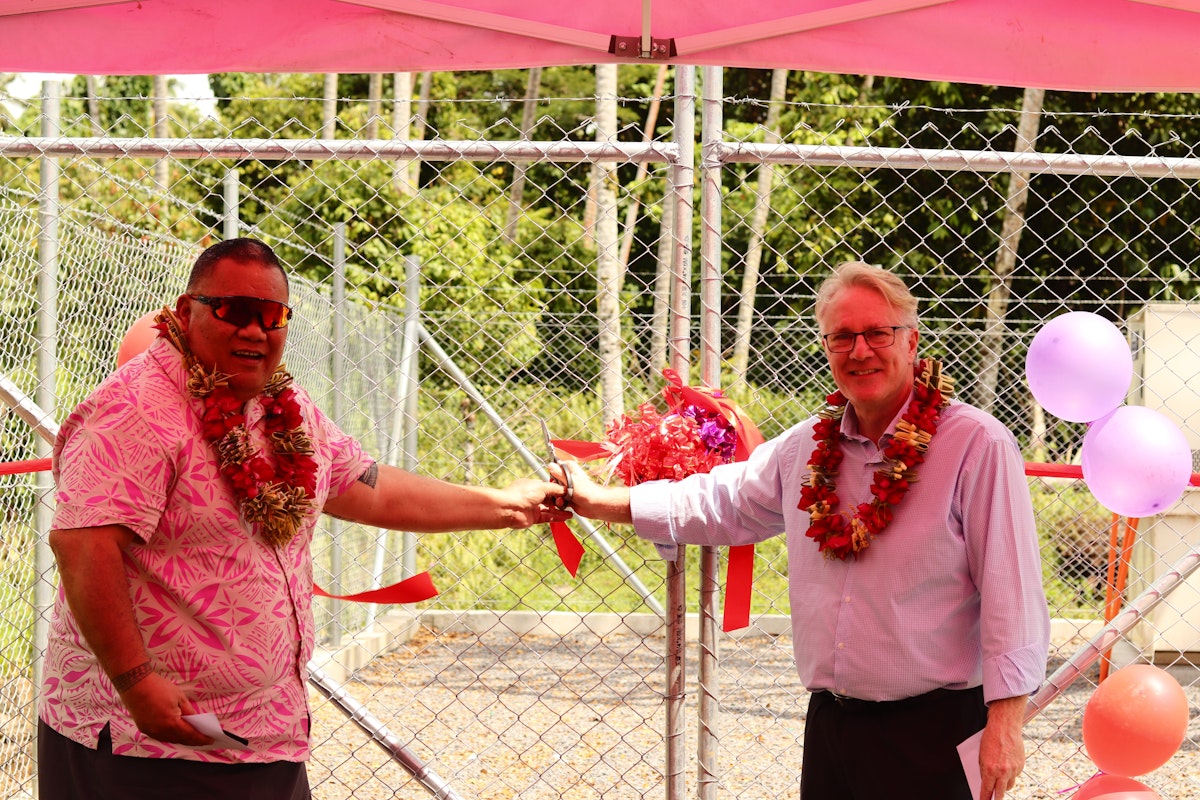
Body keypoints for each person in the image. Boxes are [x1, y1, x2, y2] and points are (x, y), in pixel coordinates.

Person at [39, 237, 570, 800]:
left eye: (271, 316)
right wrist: (137, 682)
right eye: (233, 311)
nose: (254, 330)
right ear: (183, 312)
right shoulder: (137, 408)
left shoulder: (276, 403)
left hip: (260, 736)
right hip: (146, 747)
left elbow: (369, 486)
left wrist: (504, 504)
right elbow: (83, 547)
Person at [561, 261, 1050, 800]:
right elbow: (722, 501)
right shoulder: (805, 448)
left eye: (877, 333)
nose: (860, 351)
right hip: (832, 728)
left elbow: (1012, 592)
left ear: (911, 342)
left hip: (934, 732)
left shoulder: (976, 445)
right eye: (842, 337)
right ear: (826, 348)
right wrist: (601, 501)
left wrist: (1006, 724)